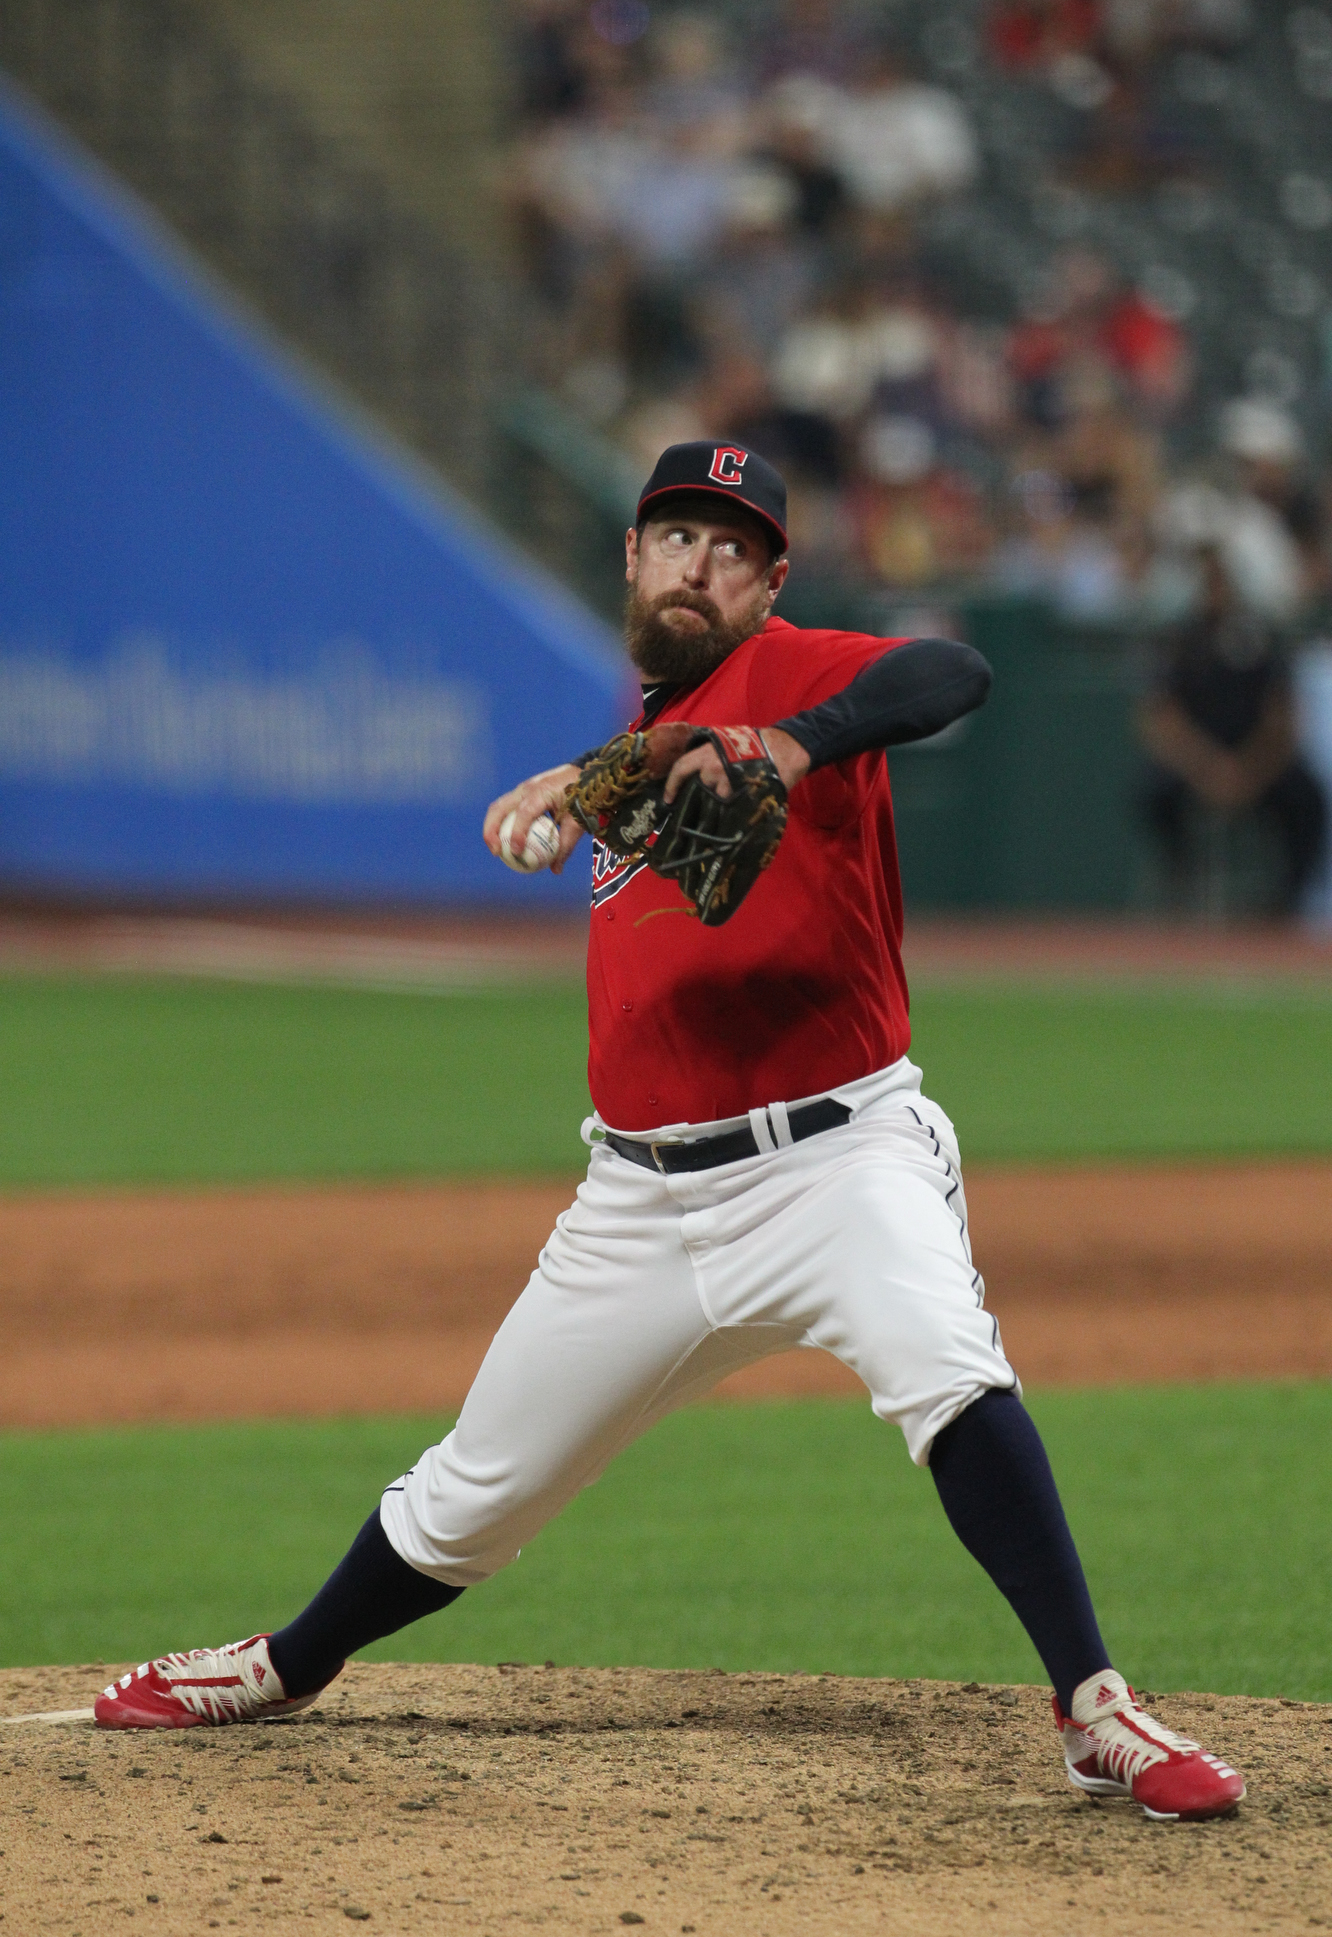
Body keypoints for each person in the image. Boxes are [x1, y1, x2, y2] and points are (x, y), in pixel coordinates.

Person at [96, 443, 1245, 1825]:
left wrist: (798, 739)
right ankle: (283, 1667)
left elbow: (952, 673)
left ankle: (1093, 1709)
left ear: (768, 586)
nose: (699, 563)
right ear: (633, 562)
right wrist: (619, 764)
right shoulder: (631, 753)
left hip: (839, 1159)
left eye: (732, 548)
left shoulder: (801, 676)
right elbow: (655, 770)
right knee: (470, 1498)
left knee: (947, 1371)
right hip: (636, 1204)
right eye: (676, 537)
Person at [1141, 544, 1328, 913]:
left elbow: (1283, 714)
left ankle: (1287, 902)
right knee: (1152, 792)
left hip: (1256, 763)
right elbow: (1160, 718)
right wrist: (1208, 768)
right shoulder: (1178, 639)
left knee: (1307, 797)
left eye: (1221, 580)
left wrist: (1248, 769)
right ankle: (1181, 888)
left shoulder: (1260, 635)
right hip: (1194, 765)